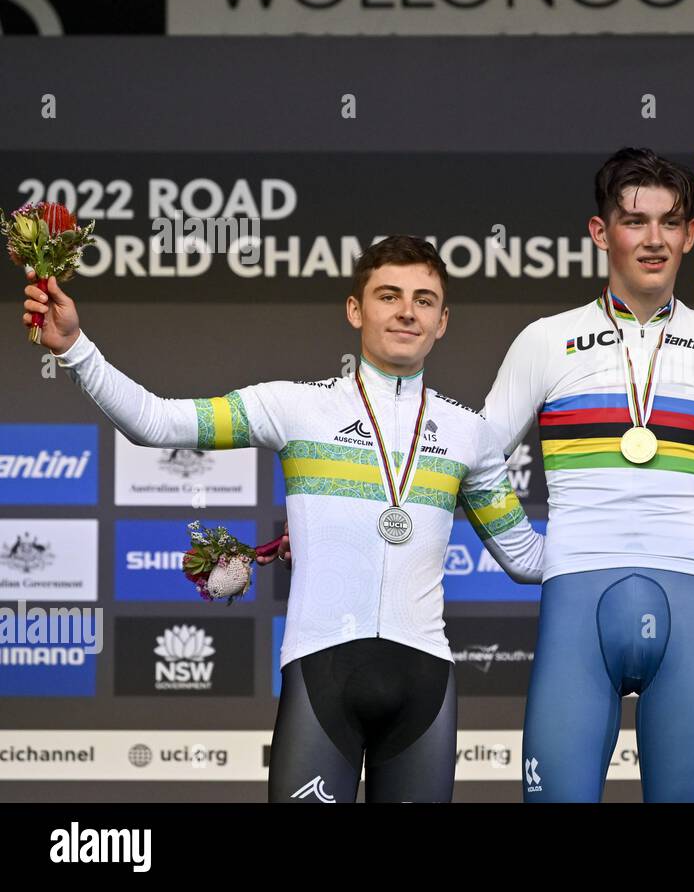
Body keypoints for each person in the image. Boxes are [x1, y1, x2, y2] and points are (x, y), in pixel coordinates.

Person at [22, 235, 544, 803]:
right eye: (388, 295)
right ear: (354, 309)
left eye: (423, 300)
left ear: (442, 321)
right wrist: (74, 347)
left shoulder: (470, 433)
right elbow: (157, 422)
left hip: (425, 684)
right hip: (322, 676)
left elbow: (525, 557)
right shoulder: (294, 407)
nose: (405, 311)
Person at [486, 147, 694, 802]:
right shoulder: (547, 339)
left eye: (670, 222)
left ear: (690, 233)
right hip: (576, 595)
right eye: (635, 221)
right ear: (601, 233)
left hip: (689, 596)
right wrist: (524, 554)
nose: (653, 240)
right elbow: (473, 456)